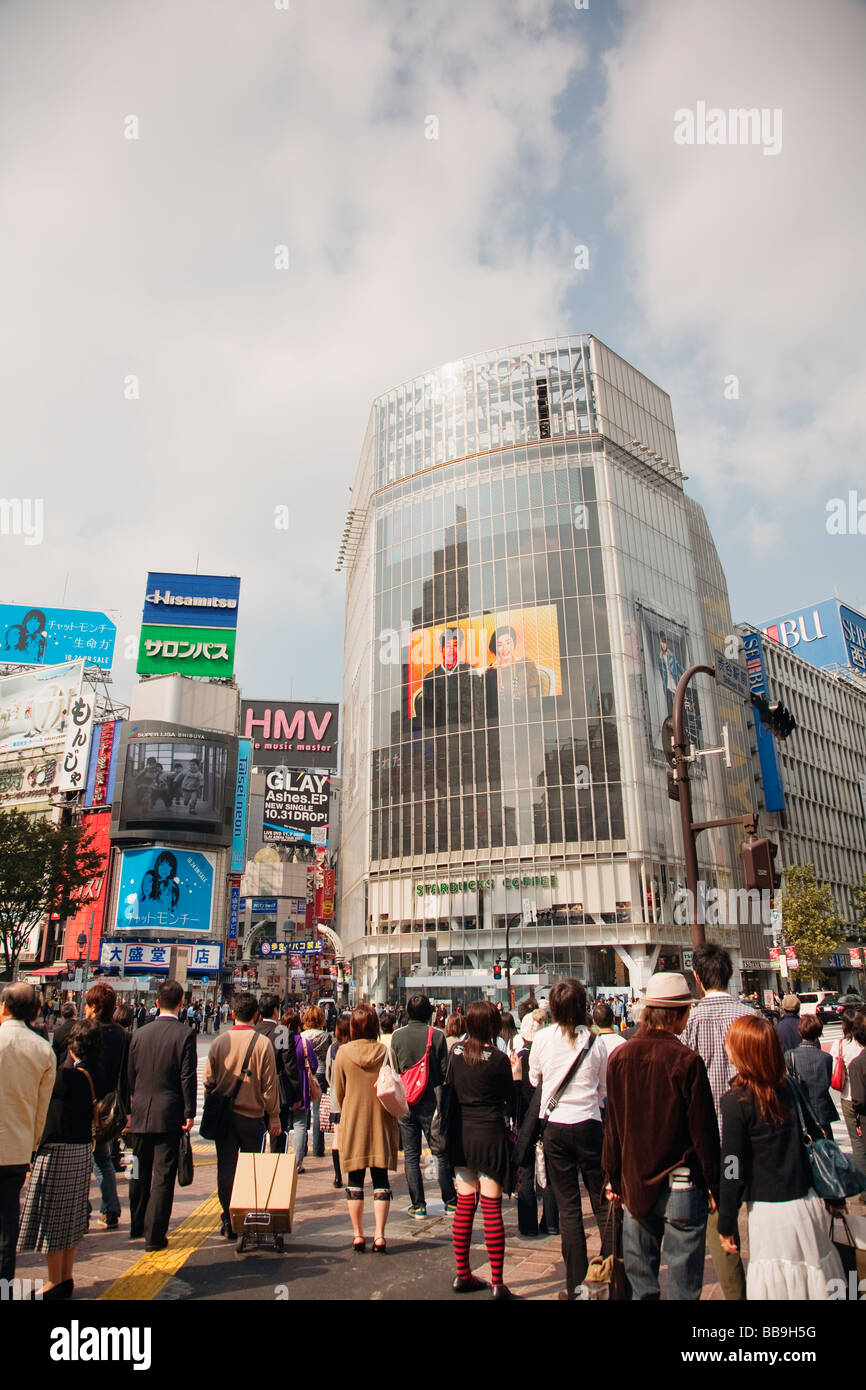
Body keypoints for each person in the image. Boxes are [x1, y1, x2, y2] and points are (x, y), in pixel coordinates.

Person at [603, 973, 720, 1301]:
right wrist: (715, 1186)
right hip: (682, 1184)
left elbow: (613, 1126)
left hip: (635, 1183)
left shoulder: (620, 1058)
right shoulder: (686, 1061)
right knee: (684, 1286)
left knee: (642, 1285)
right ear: (678, 1014)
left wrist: (611, 1176)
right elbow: (703, 1132)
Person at [718, 1014, 846, 1298]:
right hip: (807, 1202)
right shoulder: (790, 1087)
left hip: (769, 1212)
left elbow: (732, 1165)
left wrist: (726, 1220)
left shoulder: (736, 1101)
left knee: (779, 1285)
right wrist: (834, 1196)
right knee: (814, 1281)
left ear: (743, 1051)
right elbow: (818, 1138)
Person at [680, 942, 753, 1301]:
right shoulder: (751, 1016)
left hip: (712, 1135)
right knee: (760, 1210)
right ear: (731, 973)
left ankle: (736, 1292)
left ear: (697, 977)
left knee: (719, 1220)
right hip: (755, 1129)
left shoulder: (691, 1020)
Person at [529, 979, 609, 1299]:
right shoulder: (595, 1041)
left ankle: (576, 1287)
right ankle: (606, 1277)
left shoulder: (544, 1038)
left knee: (569, 1210)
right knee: (602, 1205)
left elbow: (535, 1078)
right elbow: (602, 1089)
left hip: (556, 1128)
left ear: (554, 1007)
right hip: (590, 1124)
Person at [17, 1018, 103, 1299]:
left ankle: (55, 1281)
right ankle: (66, 1276)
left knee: (53, 1220)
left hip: (57, 1152)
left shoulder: (65, 1077)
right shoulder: (97, 1071)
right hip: (81, 1151)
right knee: (71, 1218)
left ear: (73, 1045)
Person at [445, 1001, 515, 1298]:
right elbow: (511, 1100)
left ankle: (463, 1274)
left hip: (462, 1136)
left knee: (464, 1206)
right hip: (490, 1135)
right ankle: (497, 1282)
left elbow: (448, 1090)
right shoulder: (498, 1059)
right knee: (491, 1209)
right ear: (492, 1026)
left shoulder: (455, 1054)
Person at [126, 979, 197, 1252]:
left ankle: (136, 1224)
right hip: (169, 1114)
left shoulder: (139, 1034)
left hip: (140, 1111)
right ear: (182, 1003)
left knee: (137, 1169)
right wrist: (189, 1111)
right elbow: (187, 1076)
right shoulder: (184, 1034)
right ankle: (155, 1235)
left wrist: (134, 1103)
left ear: (156, 1003)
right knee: (163, 1174)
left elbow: (130, 1076)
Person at [204, 992, 281, 1240]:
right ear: (256, 1016)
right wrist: (274, 1115)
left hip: (225, 1118)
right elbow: (270, 1086)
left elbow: (208, 1082)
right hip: (252, 1117)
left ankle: (228, 1219)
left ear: (233, 1014)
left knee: (226, 1169)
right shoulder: (263, 1044)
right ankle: (247, 1218)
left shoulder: (218, 1043)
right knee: (252, 1169)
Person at [0, 984, 56, 1285]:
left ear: (4, 1007)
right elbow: (41, 1109)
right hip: (17, 1150)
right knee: (8, 1223)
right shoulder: (43, 1050)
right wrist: (33, 1146)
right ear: (36, 1011)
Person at [331, 1004, 399, 1252]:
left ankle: (358, 1234)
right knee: (381, 1179)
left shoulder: (343, 1053)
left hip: (354, 1119)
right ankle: (380, 1235)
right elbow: (395, 1083)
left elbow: (338, 1092)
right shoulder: (385, 1051)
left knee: (355, 1179)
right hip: (381, 1119)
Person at [390, 994, 457, 1219]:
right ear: (430, 1013)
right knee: (439, 1151)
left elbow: (396, 1068)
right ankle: (450, 1200)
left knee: (411, 1154)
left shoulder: (397, 1037)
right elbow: (446, 1073)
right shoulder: (437, 1036)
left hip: (406, 1102)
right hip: (432, 1101)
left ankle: (418, 1204)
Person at [84, 982, 130, 1231]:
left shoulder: (85, 1030)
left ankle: (81, 1211)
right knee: (102, 1159)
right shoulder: (122, 1034)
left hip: (83, 1104)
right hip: (108, 1106)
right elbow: (125, 1074)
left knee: (81, 1161)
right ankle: (111, 1210)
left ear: (94, 1006)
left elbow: (72, 1068)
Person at [511, 1009, 559, 1238]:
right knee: (550, 1172)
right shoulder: (551, 1054)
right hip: (549, 1118)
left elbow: (513, 1095)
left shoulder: (518, 1056)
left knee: (526, 1172)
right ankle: (550, 1222)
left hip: (524, 1120)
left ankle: (527, 1224)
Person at [256, 993, 301, 1143]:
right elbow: (289, 1065)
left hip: (255, 1089)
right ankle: (276, 1165)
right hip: (278, 1091)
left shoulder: (254, 1031)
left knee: (256, 1140)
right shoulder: (281, 1032)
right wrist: (296, 1095)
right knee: (278, 1137)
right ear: (276, 1010)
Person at [786, 1014, 836, 1133]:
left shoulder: (790, 1056)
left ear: (800, 1032)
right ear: (819, 1033)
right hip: (822, 1111)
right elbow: (827, 1082)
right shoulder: (826, 1058)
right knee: (826, 1147)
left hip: (800, 1112)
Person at [284, 1011, 319, 1173]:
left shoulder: (281, 1041)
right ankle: (297, 1164)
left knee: (283, 1125)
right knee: (300, 1125)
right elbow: (313, 1065)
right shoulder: (304, 1042)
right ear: (298, 1024)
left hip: (283, 1087)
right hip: (302, 1086)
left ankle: (279, 1158)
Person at [835, 1009, 866, 1184]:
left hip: (850, 1098)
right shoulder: (860, 1044)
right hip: (857, 1099)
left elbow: (832, 1069)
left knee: (858, 1143)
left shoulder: (841, 1045)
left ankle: (863, 1184)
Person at [301, 1005, 331, 1158]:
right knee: (318, 1110)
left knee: (305, 1108)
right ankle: (318, 1148)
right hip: (321, 1073)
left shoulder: (302, 1036)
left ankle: (302, 1146)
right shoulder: (326, 1036)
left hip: (306, 1073)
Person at [325, 1014, 351, 1188]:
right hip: (353, 1099)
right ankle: (354, 1173)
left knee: (337, 1137)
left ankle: (337, 1176)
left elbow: (328, 1074)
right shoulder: (354, 1048)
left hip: (336, 1098)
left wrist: (334, 1086)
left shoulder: (333, 1049)